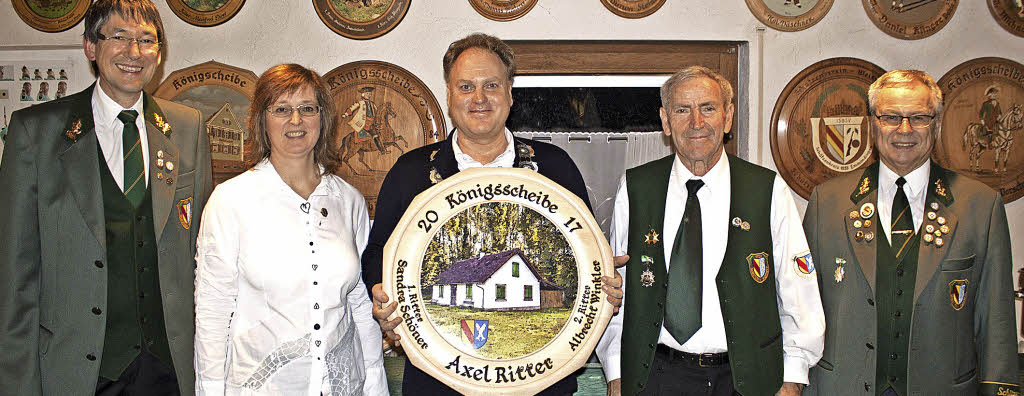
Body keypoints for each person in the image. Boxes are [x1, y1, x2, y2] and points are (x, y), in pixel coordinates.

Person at [363, 33, 620, 396]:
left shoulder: (555, 167)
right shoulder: (410, 172)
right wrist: (381, 292)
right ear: (449, 95)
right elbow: (378, 253)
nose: (479, 98)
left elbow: (584, 254)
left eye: (491, 85)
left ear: (510, 93)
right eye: (466, 86)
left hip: (541, 383)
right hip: (438, 381)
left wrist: (603, 283)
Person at [0, 0, 212, 394]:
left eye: (147, 40)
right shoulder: (36, 133)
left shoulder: (187, 127)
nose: (134, 52)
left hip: (168, 368)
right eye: (119, 37)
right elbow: (15, 280)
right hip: (76, 371)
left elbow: (203, 257)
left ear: (159, 52)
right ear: (90, 46)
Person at [596, 66, 825, 396]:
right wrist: (616, 374)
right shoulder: (635, 189)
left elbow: (799, 294)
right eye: (682, 110)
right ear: (665, 121)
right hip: (654, 378)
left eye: (708, 108)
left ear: (727, 117)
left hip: (746, 380)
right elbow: (616, 293)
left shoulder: (767, 190)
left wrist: (792, 380)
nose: (696, 123)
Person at [802, 70, 1019, 396]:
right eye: (891, 117)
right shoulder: (827, 202)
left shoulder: (980, 206)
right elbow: (802, 308)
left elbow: (996, 318)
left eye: (918, 117)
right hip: (842, 386)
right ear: (873, 124)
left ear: (937, 125)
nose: (904, 130)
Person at [193, 63, 387, 396]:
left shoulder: (349, 200)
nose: (296, 120)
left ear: (323, 118)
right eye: (281, 109)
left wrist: (374, 383)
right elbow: (213, 310)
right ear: (262, 120)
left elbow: (359, 302)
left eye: (307, 109)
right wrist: (209, 390)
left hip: (342, 386)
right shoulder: (230, 200)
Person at [341, 86, 384, 153]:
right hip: (365, 122)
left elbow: (376, 112)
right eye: (367, 93)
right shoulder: (360, 103)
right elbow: (353, 107)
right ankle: (382, 150)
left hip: (372, 121)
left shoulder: (372, 104)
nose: (369, 95)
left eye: (370, 94)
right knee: (375, 134)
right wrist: (346, 114)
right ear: (363, 94)